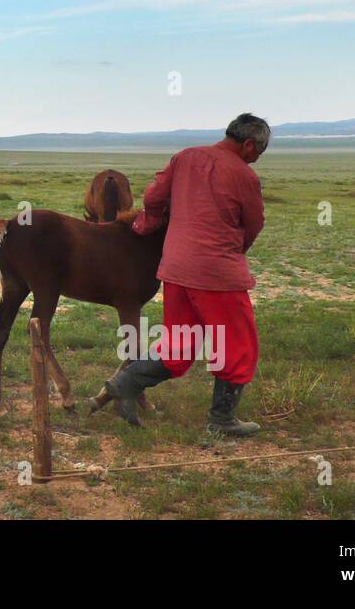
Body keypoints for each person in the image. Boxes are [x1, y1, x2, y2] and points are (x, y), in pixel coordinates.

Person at [105, 113, 270, 437]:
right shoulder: (245, 176)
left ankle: (123, 385)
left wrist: (152, 222)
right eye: (258, 152)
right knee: (239, 345)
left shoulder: (184, 157)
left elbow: (152, 198)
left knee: (179, 346)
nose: (257, 159)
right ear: (248, 144)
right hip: (218, 276)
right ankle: (222, 419)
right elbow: (253, 224)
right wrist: (236, 249)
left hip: (177, 271)